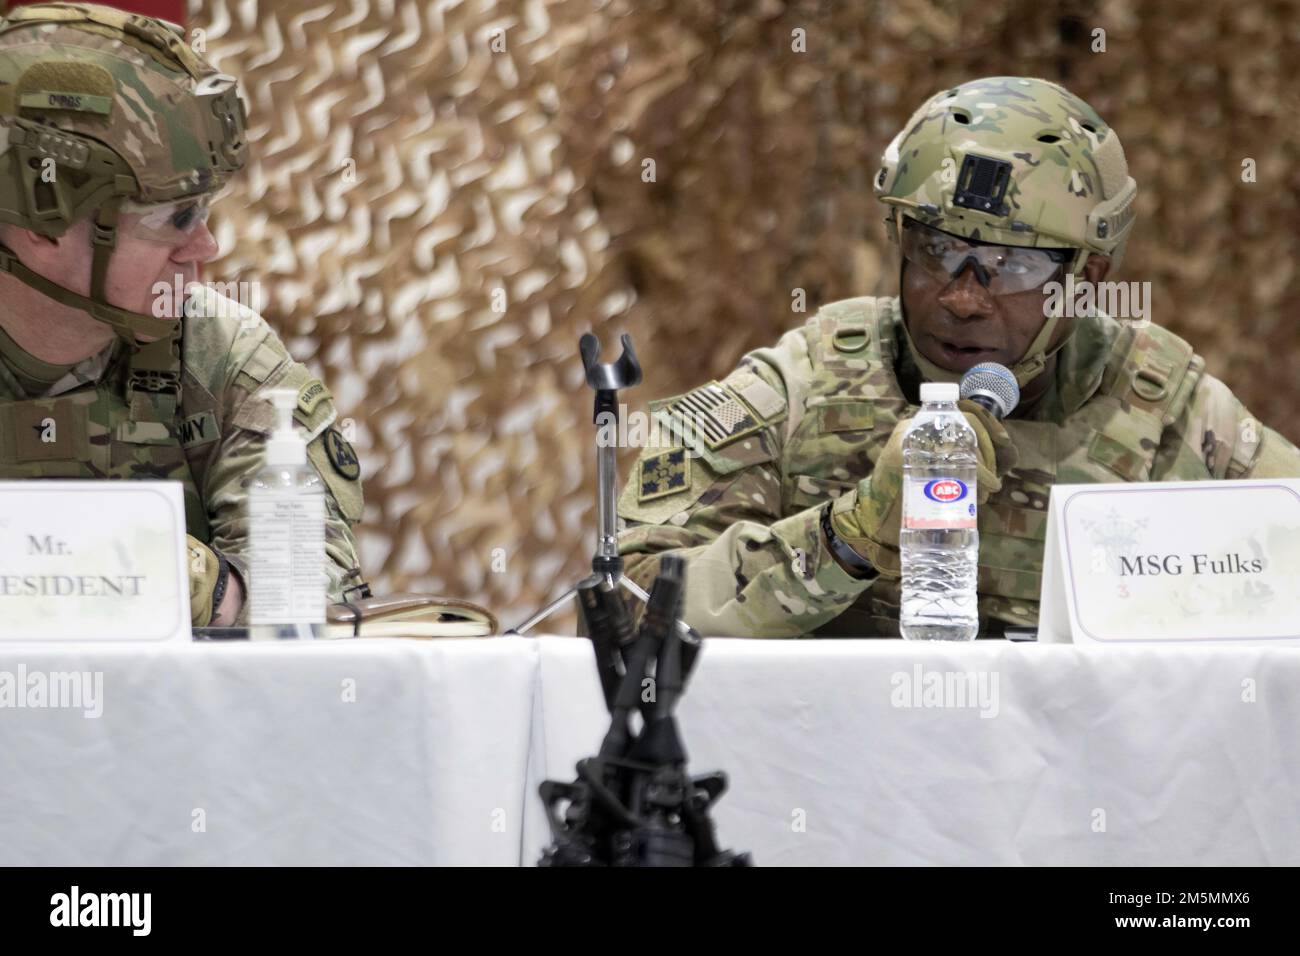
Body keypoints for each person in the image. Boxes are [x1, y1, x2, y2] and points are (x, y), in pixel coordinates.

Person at [617, 75, 1300, 638]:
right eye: (937, 250)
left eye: (1014, 266)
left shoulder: (1170, 410)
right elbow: (624, 605)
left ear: (1088, 280)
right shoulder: (800, 387)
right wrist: (846, 537)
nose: (965, 299)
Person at [0, 3, 365, 626]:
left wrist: (172, 577)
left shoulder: (219, 352)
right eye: (177, 218)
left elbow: (316, 594)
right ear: (49, 224)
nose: (206, 247)